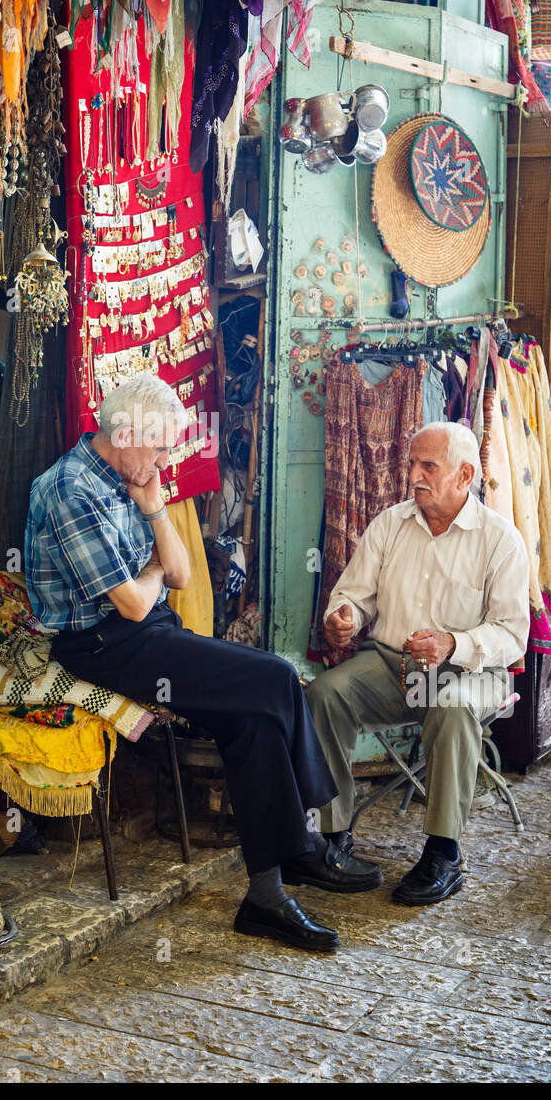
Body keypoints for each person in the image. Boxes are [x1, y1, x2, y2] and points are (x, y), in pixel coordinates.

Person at [24, 373, 356, 954]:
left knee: (251, 720)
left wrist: (155, 512)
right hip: (104, 647)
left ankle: (266, 896)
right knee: (276, 676)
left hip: (147, 632)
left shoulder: (131, 477)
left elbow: (176, 575)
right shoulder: (68, 488)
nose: (165, 457)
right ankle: (307, 844)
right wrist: (149, 579)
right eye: (159, 446)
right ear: (125, 434)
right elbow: (130, 604)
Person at [305, 421, 530, 906]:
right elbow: (353, 595)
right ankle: (332, 834)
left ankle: (443, 852)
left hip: (472, 672)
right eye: (412, 463)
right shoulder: (391, 524)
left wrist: (454, 643)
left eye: (428, 465)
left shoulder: (500, 540)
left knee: (451, 707)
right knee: (325, 694)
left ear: (464, 475)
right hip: (391, 665)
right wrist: (342, 617)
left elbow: (513, 636)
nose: (414, 475)